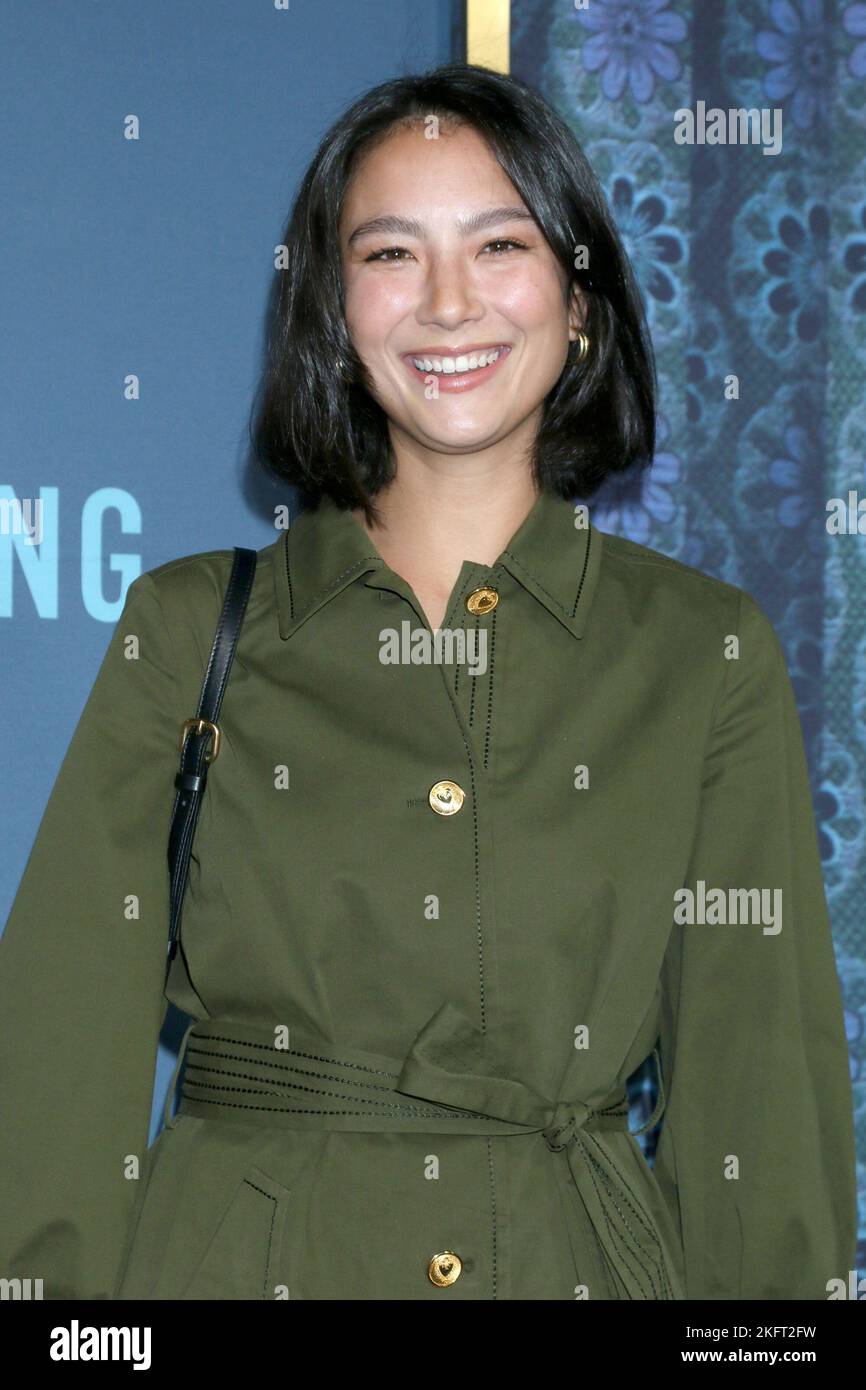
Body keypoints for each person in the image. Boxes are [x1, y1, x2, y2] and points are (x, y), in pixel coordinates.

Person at [0, 63, 856, 1301]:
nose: (447, 304)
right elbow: (57, 1057)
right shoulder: (186, 630)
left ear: (580, 304)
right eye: (390, 254)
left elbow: (756, 1100)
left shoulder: (701, 654)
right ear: (332, 317)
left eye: (499, 242)